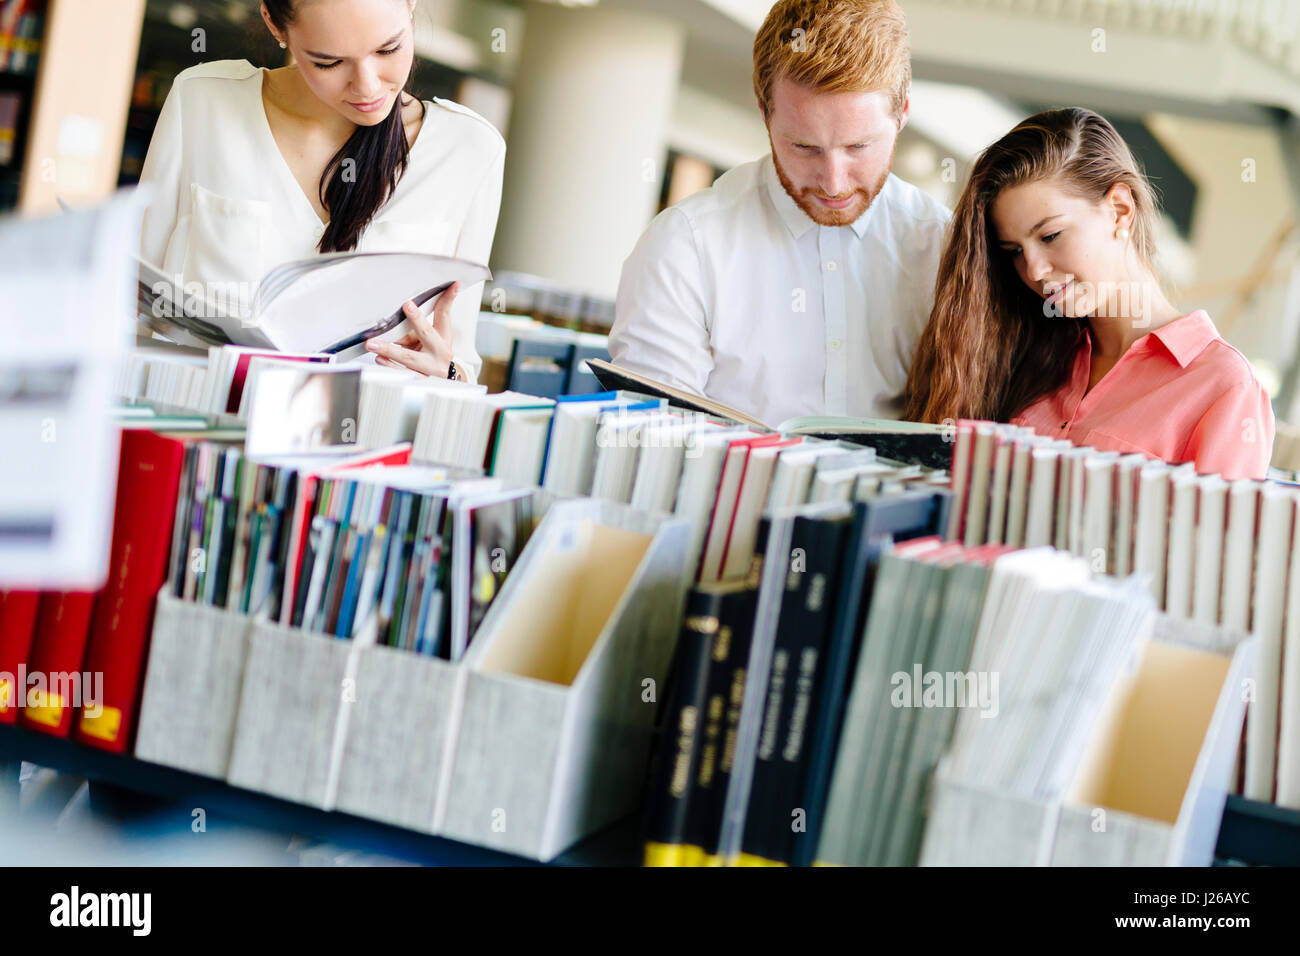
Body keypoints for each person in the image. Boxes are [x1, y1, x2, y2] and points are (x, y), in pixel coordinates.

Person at [609, 0, 950, 426]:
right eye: (804, 147)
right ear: (764, 113)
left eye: (858, 147)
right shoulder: (685, 245)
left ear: (902, 113)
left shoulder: (945, 245)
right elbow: (654, 434)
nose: (833, 182)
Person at [138, 0, 504, 383]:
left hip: (363, 434)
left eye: (388, 49)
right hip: (195, 420)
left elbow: (461, 365)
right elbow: (133, 306)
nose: (368, 86)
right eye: (329, 62)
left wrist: (446, 373)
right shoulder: (203, 100)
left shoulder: (470, 151)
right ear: (275, 26)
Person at [905, 107, 1274, 480]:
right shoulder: (1035, 355)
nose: (1033, 270)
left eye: (1050, 236)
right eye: (1014, 251)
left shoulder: (1225, 387)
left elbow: (1213, 537)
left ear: (1119, 210)